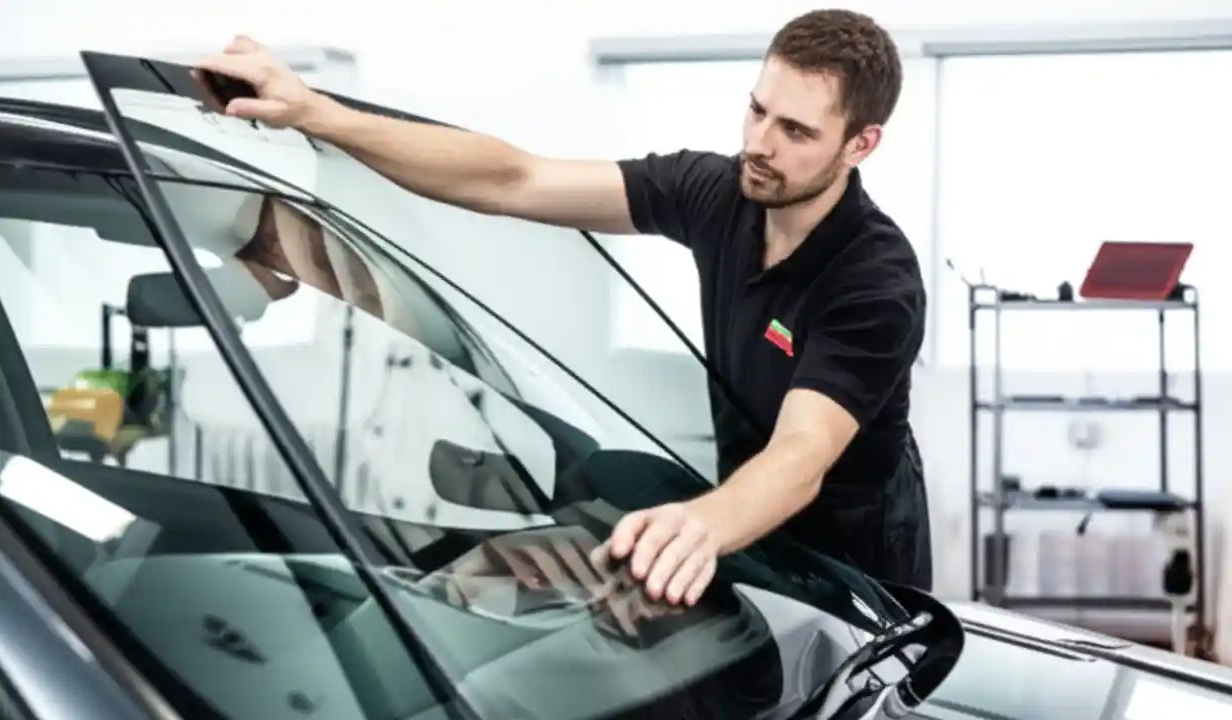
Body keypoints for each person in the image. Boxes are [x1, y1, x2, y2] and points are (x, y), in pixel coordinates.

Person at [196, 7, 931, 609]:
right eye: (757, 110)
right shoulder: (718, 193)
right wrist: (317, 113)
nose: (759, 144)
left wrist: (702, 522)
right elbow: (515, 179)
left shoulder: (874, 280)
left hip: (854, 571)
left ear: (860, 144)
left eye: (795, 131)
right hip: (736, 528)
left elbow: (802, 455)